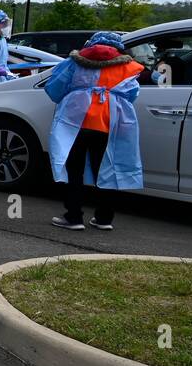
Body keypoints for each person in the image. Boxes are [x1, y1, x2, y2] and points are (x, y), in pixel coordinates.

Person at [44, 31, 144, 231]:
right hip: (109, 123)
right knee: (107, 169)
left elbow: (54, 88)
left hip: (76, 122)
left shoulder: (75, 61)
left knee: (75, 170)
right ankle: (104, 218)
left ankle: (74, 217)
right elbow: (132, 94)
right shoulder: (127, 66)